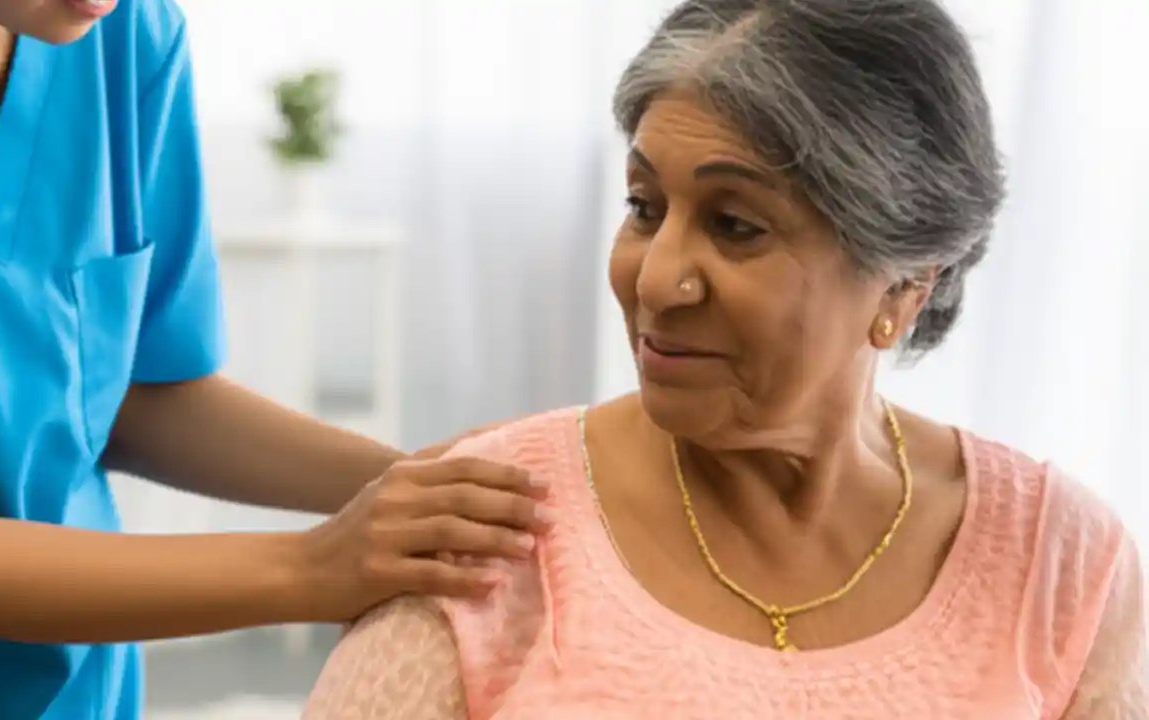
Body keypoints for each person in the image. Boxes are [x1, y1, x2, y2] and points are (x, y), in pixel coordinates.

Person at [302, 1, 1149, 718]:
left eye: (734, 225)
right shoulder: (482, 534)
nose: (656, 279)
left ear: (903, 284)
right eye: (644, 207)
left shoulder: (1060, 561)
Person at [0, 0, 547, 718]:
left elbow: (133, 397)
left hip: (84, 691)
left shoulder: (126, 35)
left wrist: (428, 491)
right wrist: (312, 567)